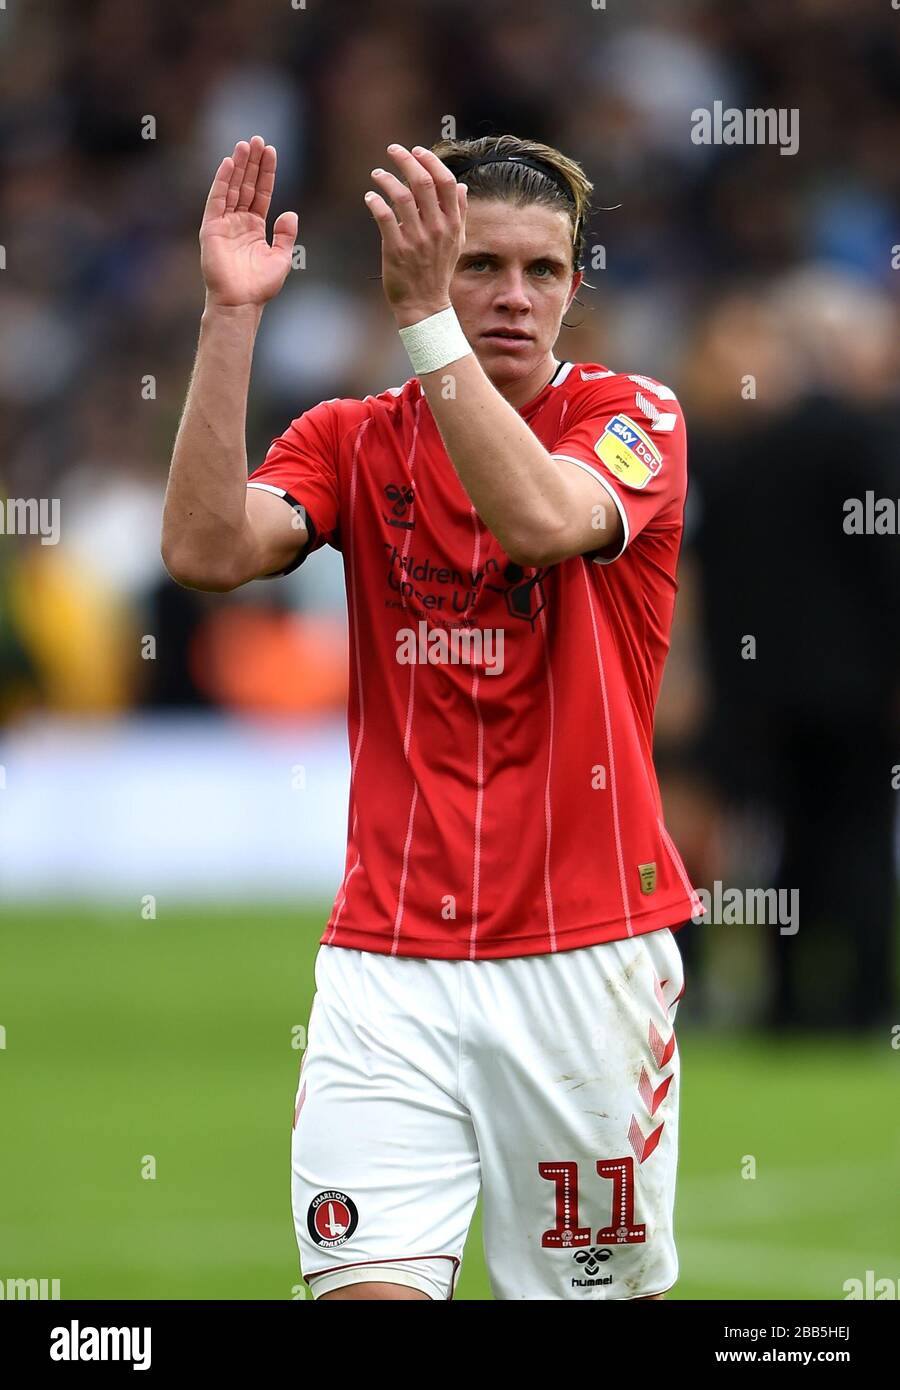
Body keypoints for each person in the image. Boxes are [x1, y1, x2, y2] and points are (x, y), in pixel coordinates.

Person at [161, 132, 701, 1301]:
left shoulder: (631, 416)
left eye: (543, 271)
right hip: (385, 970)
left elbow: (543, 523)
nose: (512, 296)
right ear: (424, 270)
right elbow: (205, 548)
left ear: (573, 286)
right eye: (478, 265)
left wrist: (427, 333)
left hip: (584, 959)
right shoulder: (353, 440)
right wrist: (228, 316)